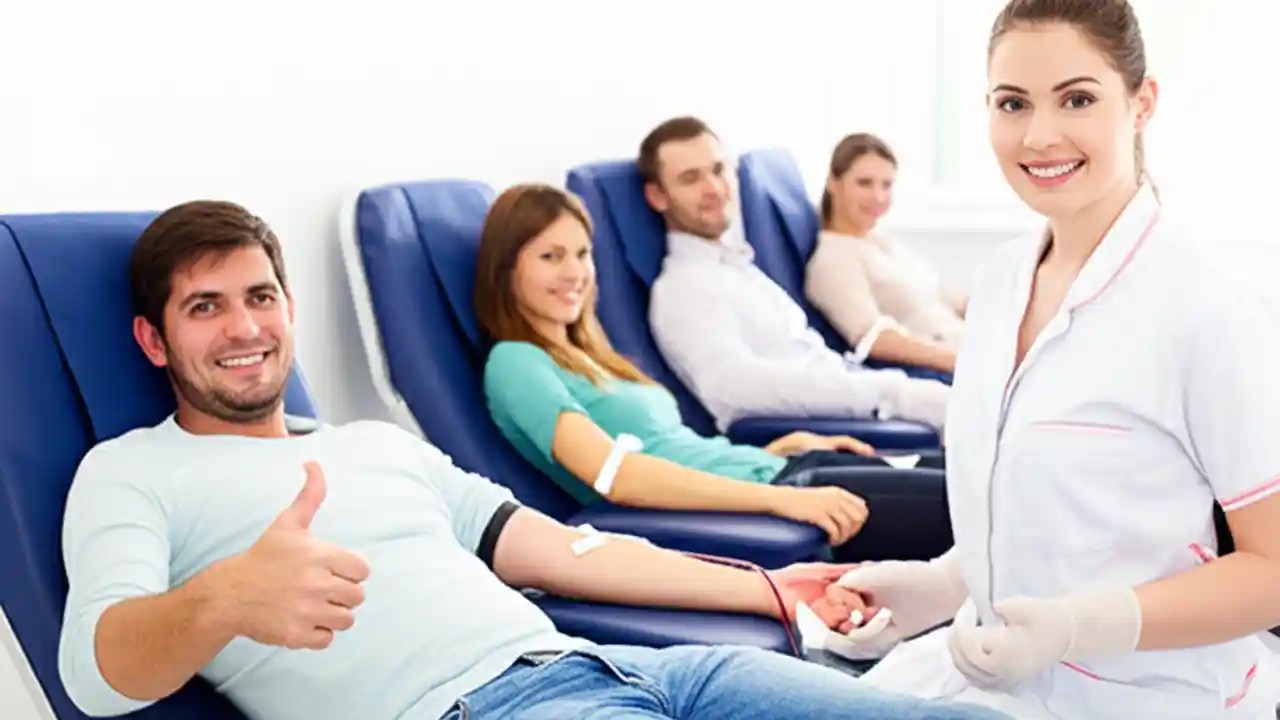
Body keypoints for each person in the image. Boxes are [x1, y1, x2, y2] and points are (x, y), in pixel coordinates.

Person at [54, 200, 1010, 720]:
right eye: (205, 307)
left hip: (631, 668)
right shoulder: (132, 472)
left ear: (289, 310)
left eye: (260, 296)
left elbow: (563, 553)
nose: (245, 327)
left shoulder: (375, 445)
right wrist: (223, 598)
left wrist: (771, 591)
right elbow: (94, 679)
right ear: (152, 340)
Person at [830, 1, 1280, 718]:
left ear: (1142, 102)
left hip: (1144, 698)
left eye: (1077, 98)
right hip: (981, 676)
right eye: (1013, 103)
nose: (1039, 135)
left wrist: (1080, 628)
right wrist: (945, 587)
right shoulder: (1003, 283)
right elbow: (1049, 520)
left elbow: (1273, 569)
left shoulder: (1205, 309)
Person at [477, 183, 954, 562]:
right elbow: (618, 479)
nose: (574, 272)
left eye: (582, 254)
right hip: (777, 494)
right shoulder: (517, 362)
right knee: (985, 505)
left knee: (977, 473)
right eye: (550, 256)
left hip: (777, 471)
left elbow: (672, 450)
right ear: (506, 268)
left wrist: (771, 450)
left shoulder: (591, 355)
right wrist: (779, 500)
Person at [641, 116, 952, 435]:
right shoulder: (683, 289)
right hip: (824, 430)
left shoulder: (741, 267)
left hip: (849, 395)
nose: (715, 189)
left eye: (719, 170)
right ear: (658, 197)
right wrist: (891, 392)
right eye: (691, 179)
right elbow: (733, 389)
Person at [806, 133, 967, 375]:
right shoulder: (833, 260)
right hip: (948, 364)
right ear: (833, 182)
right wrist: (961, 361)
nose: (878, 197)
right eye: (864, 183)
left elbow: (943, 295)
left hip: (970, 343)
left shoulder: (878, 240)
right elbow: (872, 339)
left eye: (886, 185)